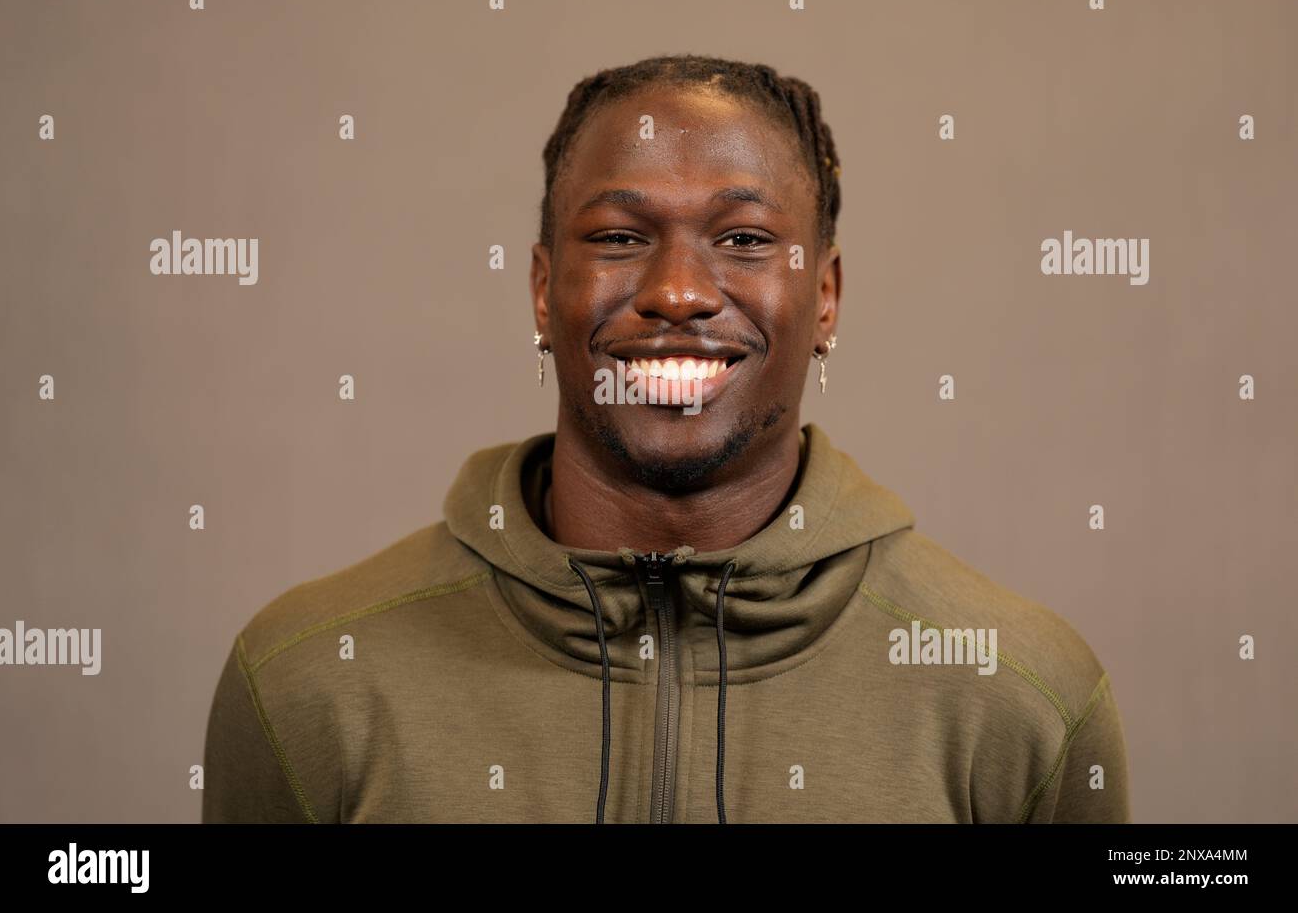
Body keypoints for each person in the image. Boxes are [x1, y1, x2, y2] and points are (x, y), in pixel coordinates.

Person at [202, 54, 1131, 824]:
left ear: (828, 297)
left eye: (745, 240)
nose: (679, 291)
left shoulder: (1021, 695)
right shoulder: (308, 680)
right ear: (540, 288)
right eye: (617, 237)